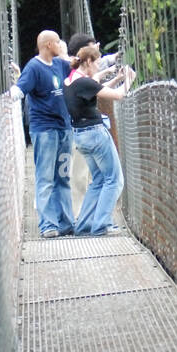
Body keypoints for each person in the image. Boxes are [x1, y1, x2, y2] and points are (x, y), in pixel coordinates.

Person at [62, 37, 135, 237]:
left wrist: (116, 78)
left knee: (99, 180)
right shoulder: (84, 82)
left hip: (81, 136)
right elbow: (119, 95)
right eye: (96, 62)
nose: (98, 66)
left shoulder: (70, 80)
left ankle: (85, 224)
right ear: (88, 62)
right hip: (95, 134)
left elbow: (95, 87)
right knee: (115, 179)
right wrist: (129, 79)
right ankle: (101, 224)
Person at [9, 30, 75, 239]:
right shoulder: (34, 67)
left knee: (63, 176)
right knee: (46, 177)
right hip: (45, 130)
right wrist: (3, 103)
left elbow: (81, 66)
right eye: (57, 42)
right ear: (48, 45)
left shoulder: (60, 64)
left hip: (64, 128)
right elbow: (19, 91)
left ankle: (66, 223)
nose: (60, 45)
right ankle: (48, 225)